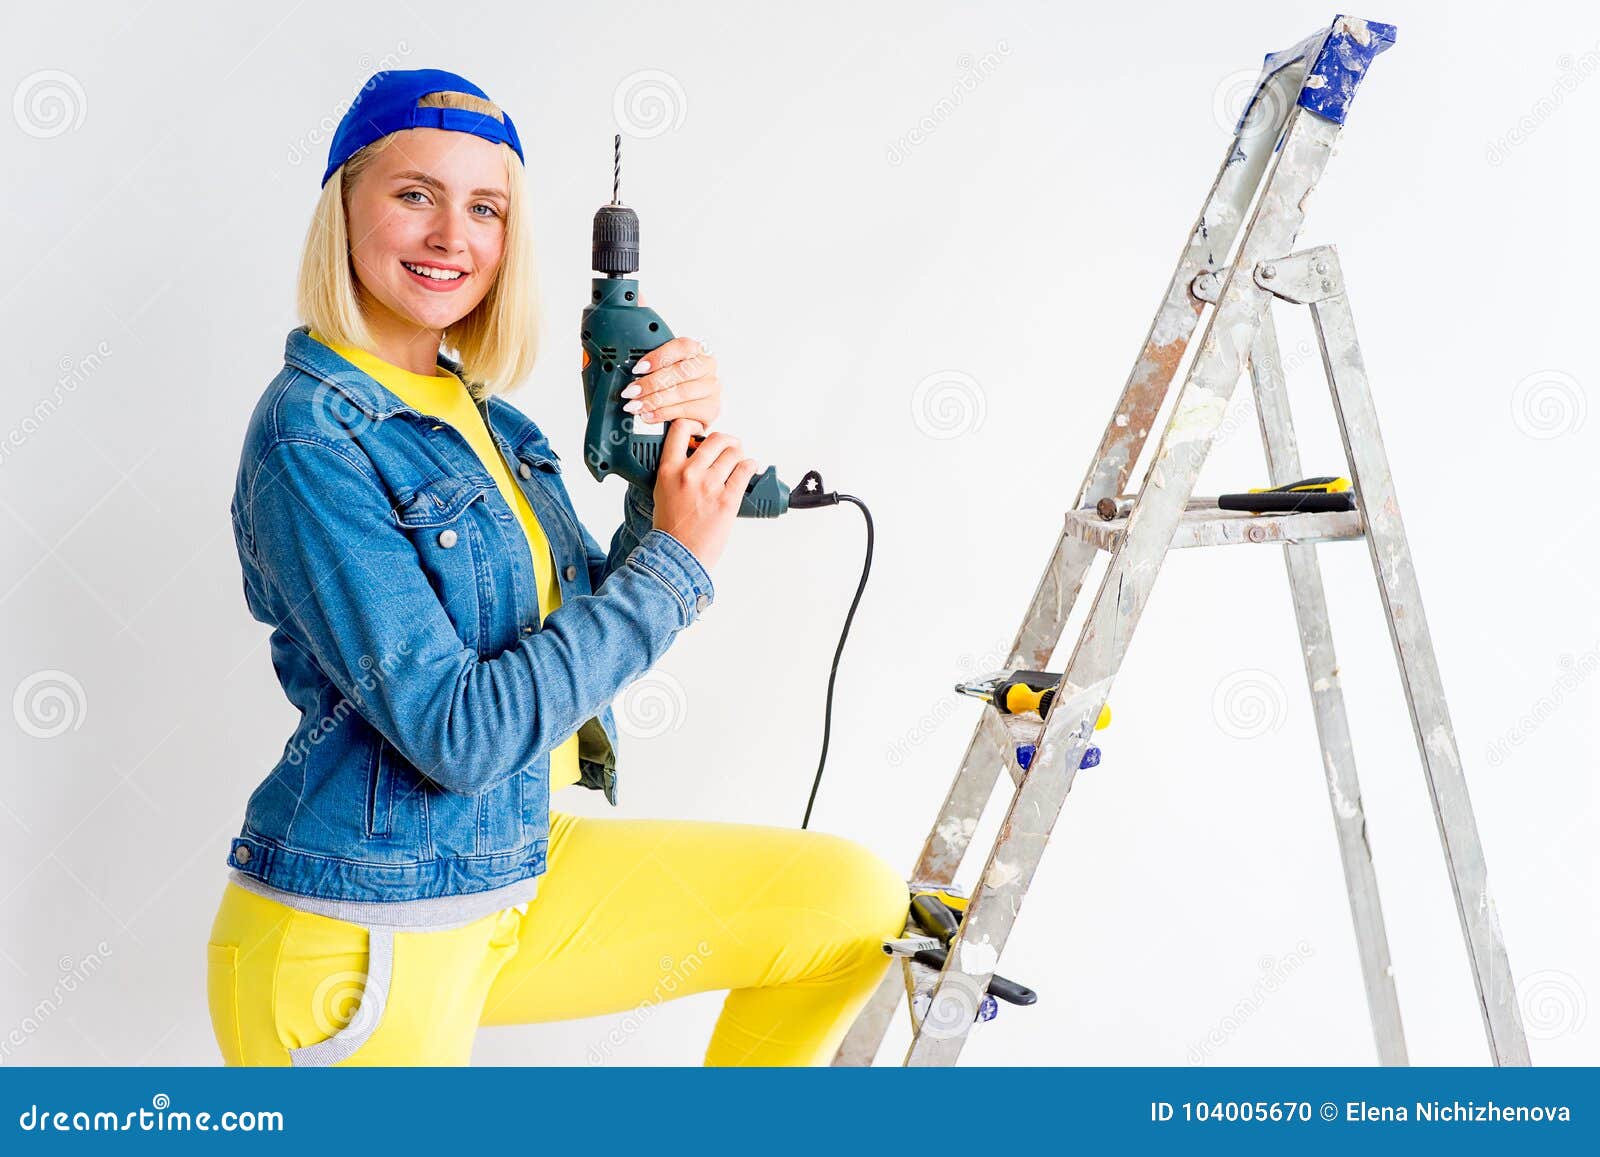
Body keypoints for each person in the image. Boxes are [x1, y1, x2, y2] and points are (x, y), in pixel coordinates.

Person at [205, 68, 908, 1066]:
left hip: (505, 872)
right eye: (415, 195)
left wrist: (661, 484)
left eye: (484, 207)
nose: (453, 236)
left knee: (848, 902)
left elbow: (573, 639)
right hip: (358, 936)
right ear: (342, 207)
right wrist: (677, 561)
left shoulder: (494, 420)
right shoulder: (310, 436)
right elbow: (457, 731)